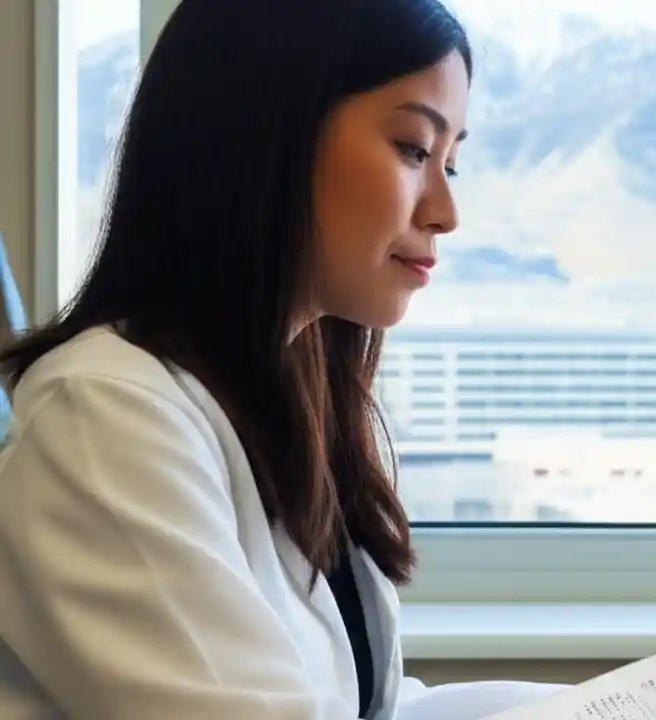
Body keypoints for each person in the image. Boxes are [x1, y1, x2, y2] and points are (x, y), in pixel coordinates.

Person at [0, 1, 560, 717]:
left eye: (451, 161)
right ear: (269, 135)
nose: (446, 210)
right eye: (416, 150)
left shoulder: (285, 402)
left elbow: (362, 707)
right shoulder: (102, 417)